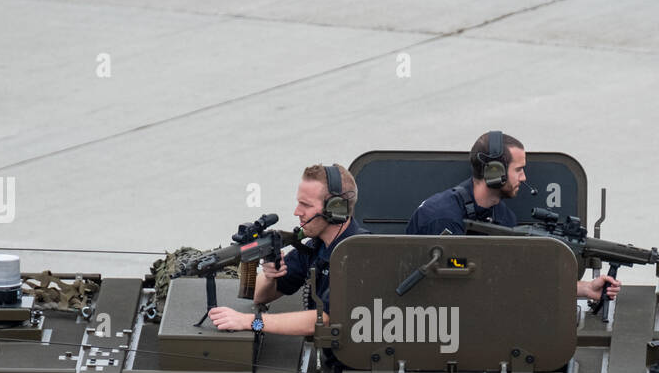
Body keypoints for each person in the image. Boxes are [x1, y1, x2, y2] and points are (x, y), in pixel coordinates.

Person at [406, 130, 619, 302]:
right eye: (518, 170)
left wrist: (584, 289)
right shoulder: (442, 217)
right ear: (494, 172)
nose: (524, 177)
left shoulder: (502, 216)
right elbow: (452, 273)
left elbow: (515, 277)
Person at [208, 164, 363, 335]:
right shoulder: (316, 247)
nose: (297, 212)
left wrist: (251, 322)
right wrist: (270, 277)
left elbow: (325, 319)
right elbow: (260, 297)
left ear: (335, 209)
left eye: (305, 205)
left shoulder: (361, 254)